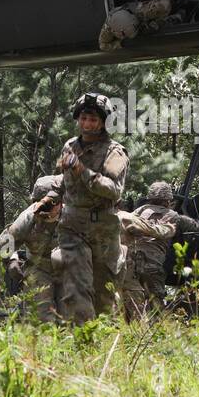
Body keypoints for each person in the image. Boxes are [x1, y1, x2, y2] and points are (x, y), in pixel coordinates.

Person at [56, 92, 129, 323]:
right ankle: (83, 338)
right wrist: (49, 197)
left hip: (103, 229)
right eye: (84, 119)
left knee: (104, 291)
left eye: (93, 120)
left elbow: (113, 190)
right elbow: (63, 182)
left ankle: (107, 341)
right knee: (77, 286)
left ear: (103, 123)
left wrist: (83, 171)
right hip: (72, 225)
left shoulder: (114, 152)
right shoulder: (69, 146)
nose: (87, 125)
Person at [120, 180, 199, 318]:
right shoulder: (173, 216)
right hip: (152, 265)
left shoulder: (138, 212)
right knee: (156, 304)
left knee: (132, 301)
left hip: (130, 263)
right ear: (167, 200)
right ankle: (156, 334)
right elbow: (197, 226)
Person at [0, 174, 63, 321]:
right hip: (39, 270)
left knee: (74, 319)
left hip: (69, 269)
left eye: (55, 202)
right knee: (41, 320)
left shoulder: (73, 216)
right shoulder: (26, 221)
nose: (53, 207)